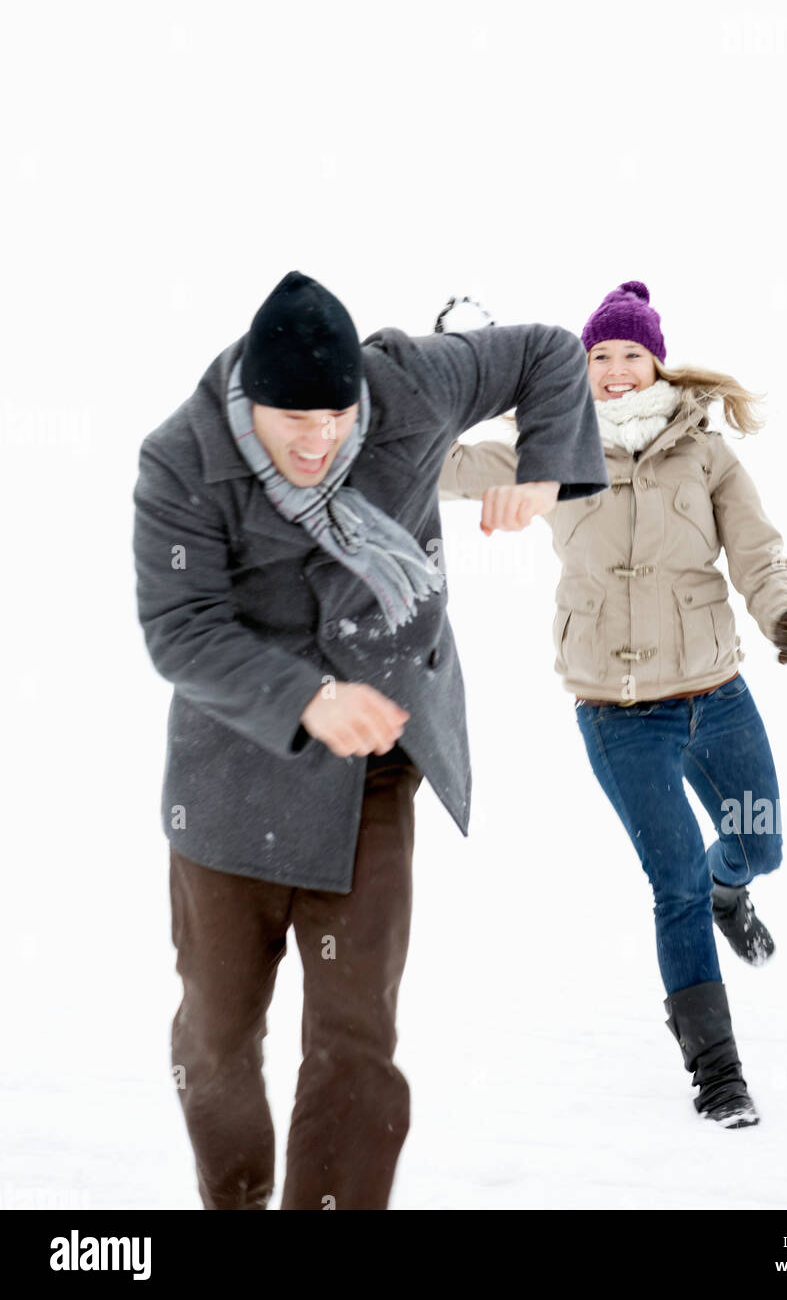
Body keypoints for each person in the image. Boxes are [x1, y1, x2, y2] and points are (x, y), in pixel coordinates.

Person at [132, 270, 609, 1209]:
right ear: (247, 402)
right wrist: (305, 697)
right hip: (233, 770)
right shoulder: (181, 459)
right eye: (293, 422)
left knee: (356, 1036)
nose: (320, 441)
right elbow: (180, 629)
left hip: (372, 766)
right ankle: (233, 1198)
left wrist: (545, 460)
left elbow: (548, 349)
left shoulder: (410, 385)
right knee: (218, 1035)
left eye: (338, 418)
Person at [438, 280, 787, 1128]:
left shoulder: (707, 454)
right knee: (674, 879)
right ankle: (717, 1071)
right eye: (599, 357)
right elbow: (438, 464)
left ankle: (737, 893)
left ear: (655, 360)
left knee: (759, 846)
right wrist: (466, 367)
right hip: (617, 713)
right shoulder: (548, 444)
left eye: (629, 355)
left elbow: (758, 552)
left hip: (718, 695)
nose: (614, 372)